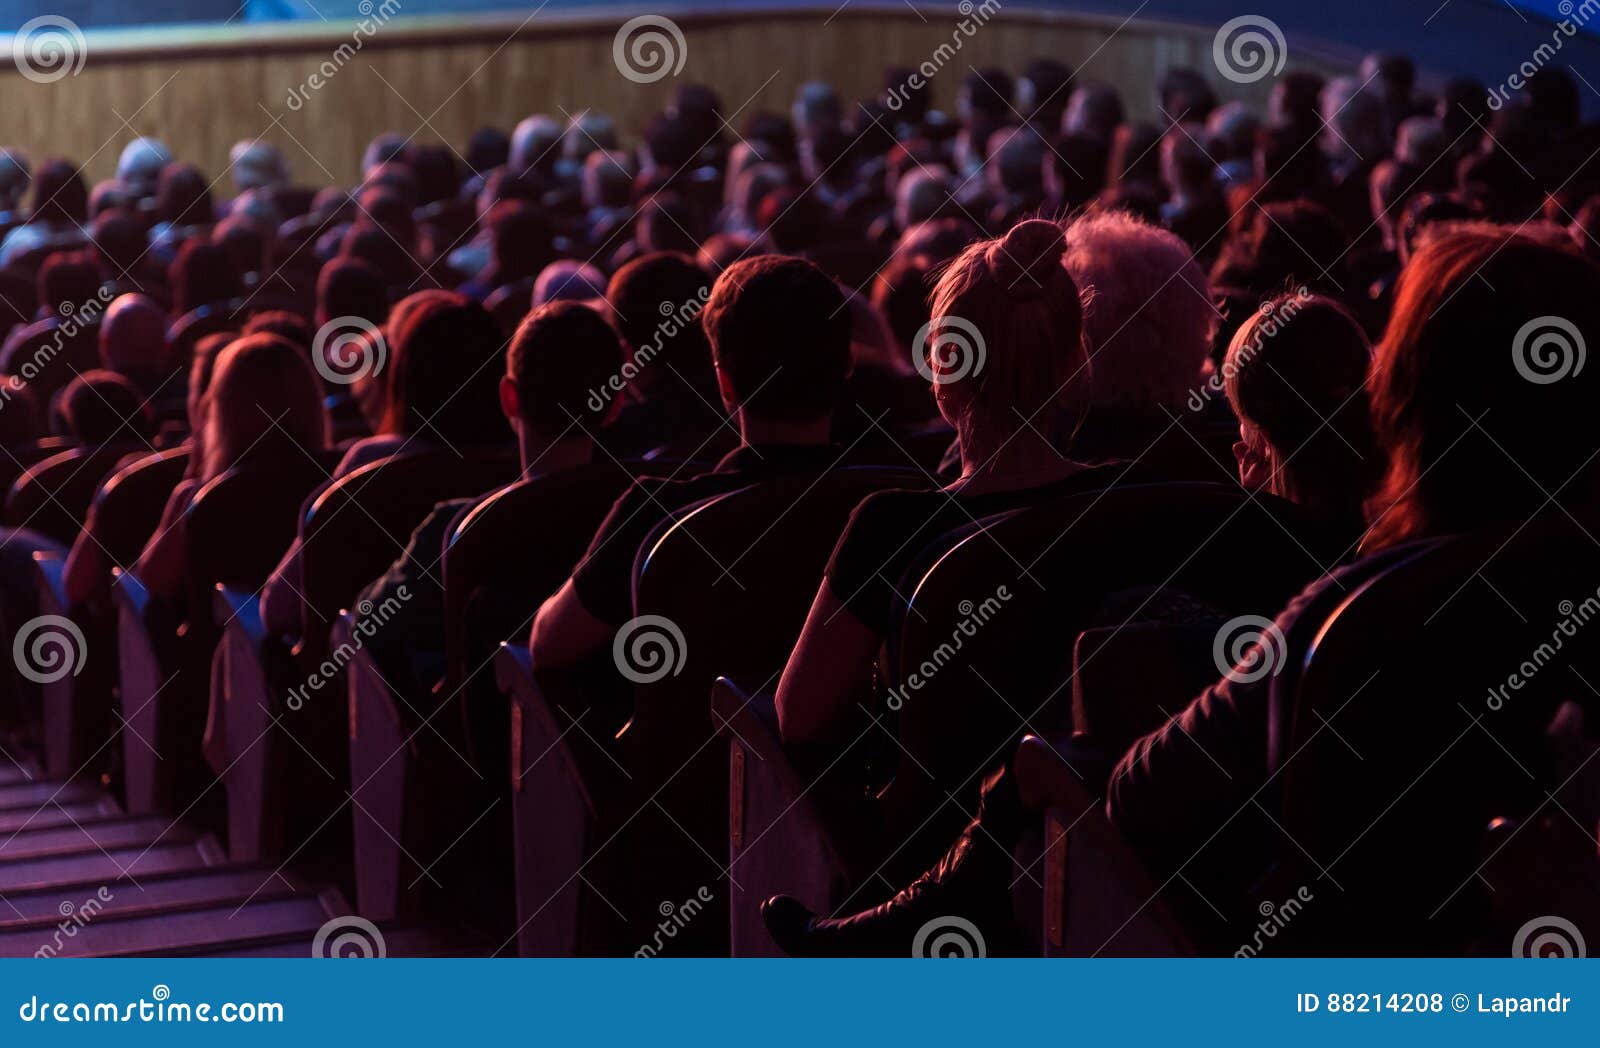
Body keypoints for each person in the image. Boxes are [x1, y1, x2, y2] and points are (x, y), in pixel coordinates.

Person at [762, 227, 1600, 957]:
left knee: (1058, 760)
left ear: (1409, 406)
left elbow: (1144, 795)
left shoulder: (1355, 618)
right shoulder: (1199, 518)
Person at [776, 220, 1111, 747]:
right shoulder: (1124, 500)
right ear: (1074, 362)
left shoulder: (891, 529)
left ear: (942, 374)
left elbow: (798, 717)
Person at [529, 254, 853, 670]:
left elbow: (549, 644)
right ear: (847, 364)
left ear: (725, 383)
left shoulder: (658, 515)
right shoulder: (890, 504)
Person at [354, 301, 627, 699]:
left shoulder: (457, 531)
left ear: (509, 398)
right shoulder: (644, 515)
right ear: (616, 403)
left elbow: (368, 624)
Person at [259, 292, 511, 637]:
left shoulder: (373, 463)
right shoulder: (519, 466)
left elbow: (280, 607)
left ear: (404, 375)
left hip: (358, 681)